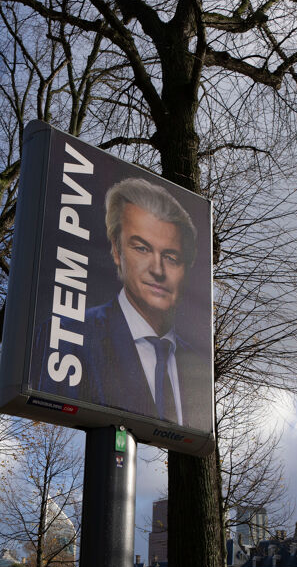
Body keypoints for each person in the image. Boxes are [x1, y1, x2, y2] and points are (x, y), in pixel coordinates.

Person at [54, 178, 210, 429]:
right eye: (142, 248)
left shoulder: (199, 368)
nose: (157, 270)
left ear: (187, 267)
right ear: (117, 250)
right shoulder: (71, 339)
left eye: (171, 257)